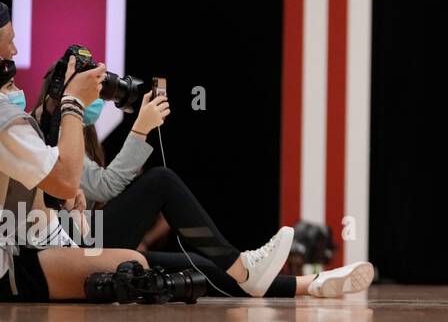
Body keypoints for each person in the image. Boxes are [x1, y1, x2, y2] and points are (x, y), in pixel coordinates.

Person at [22, 54, 373, 299]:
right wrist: (140, 131)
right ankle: (244, 266)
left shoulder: (76, 128)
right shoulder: (46, 127)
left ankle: (310, 284)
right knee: (161, 181)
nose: (99, 96)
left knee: (200, 264)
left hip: (83, 237)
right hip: (66, 249)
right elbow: (106, 184)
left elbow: (96, 188)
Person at [0, 2, 160, 301]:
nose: (15, 52)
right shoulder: (12, 120)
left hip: (33, 239)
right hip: (15, 257)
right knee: (136, 263)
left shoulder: (33, 126)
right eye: (8, 42)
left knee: (154, 264)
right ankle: (240, 268)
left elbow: (51, 187)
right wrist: (72, 102)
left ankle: (241, 267)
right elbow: (70, 182)